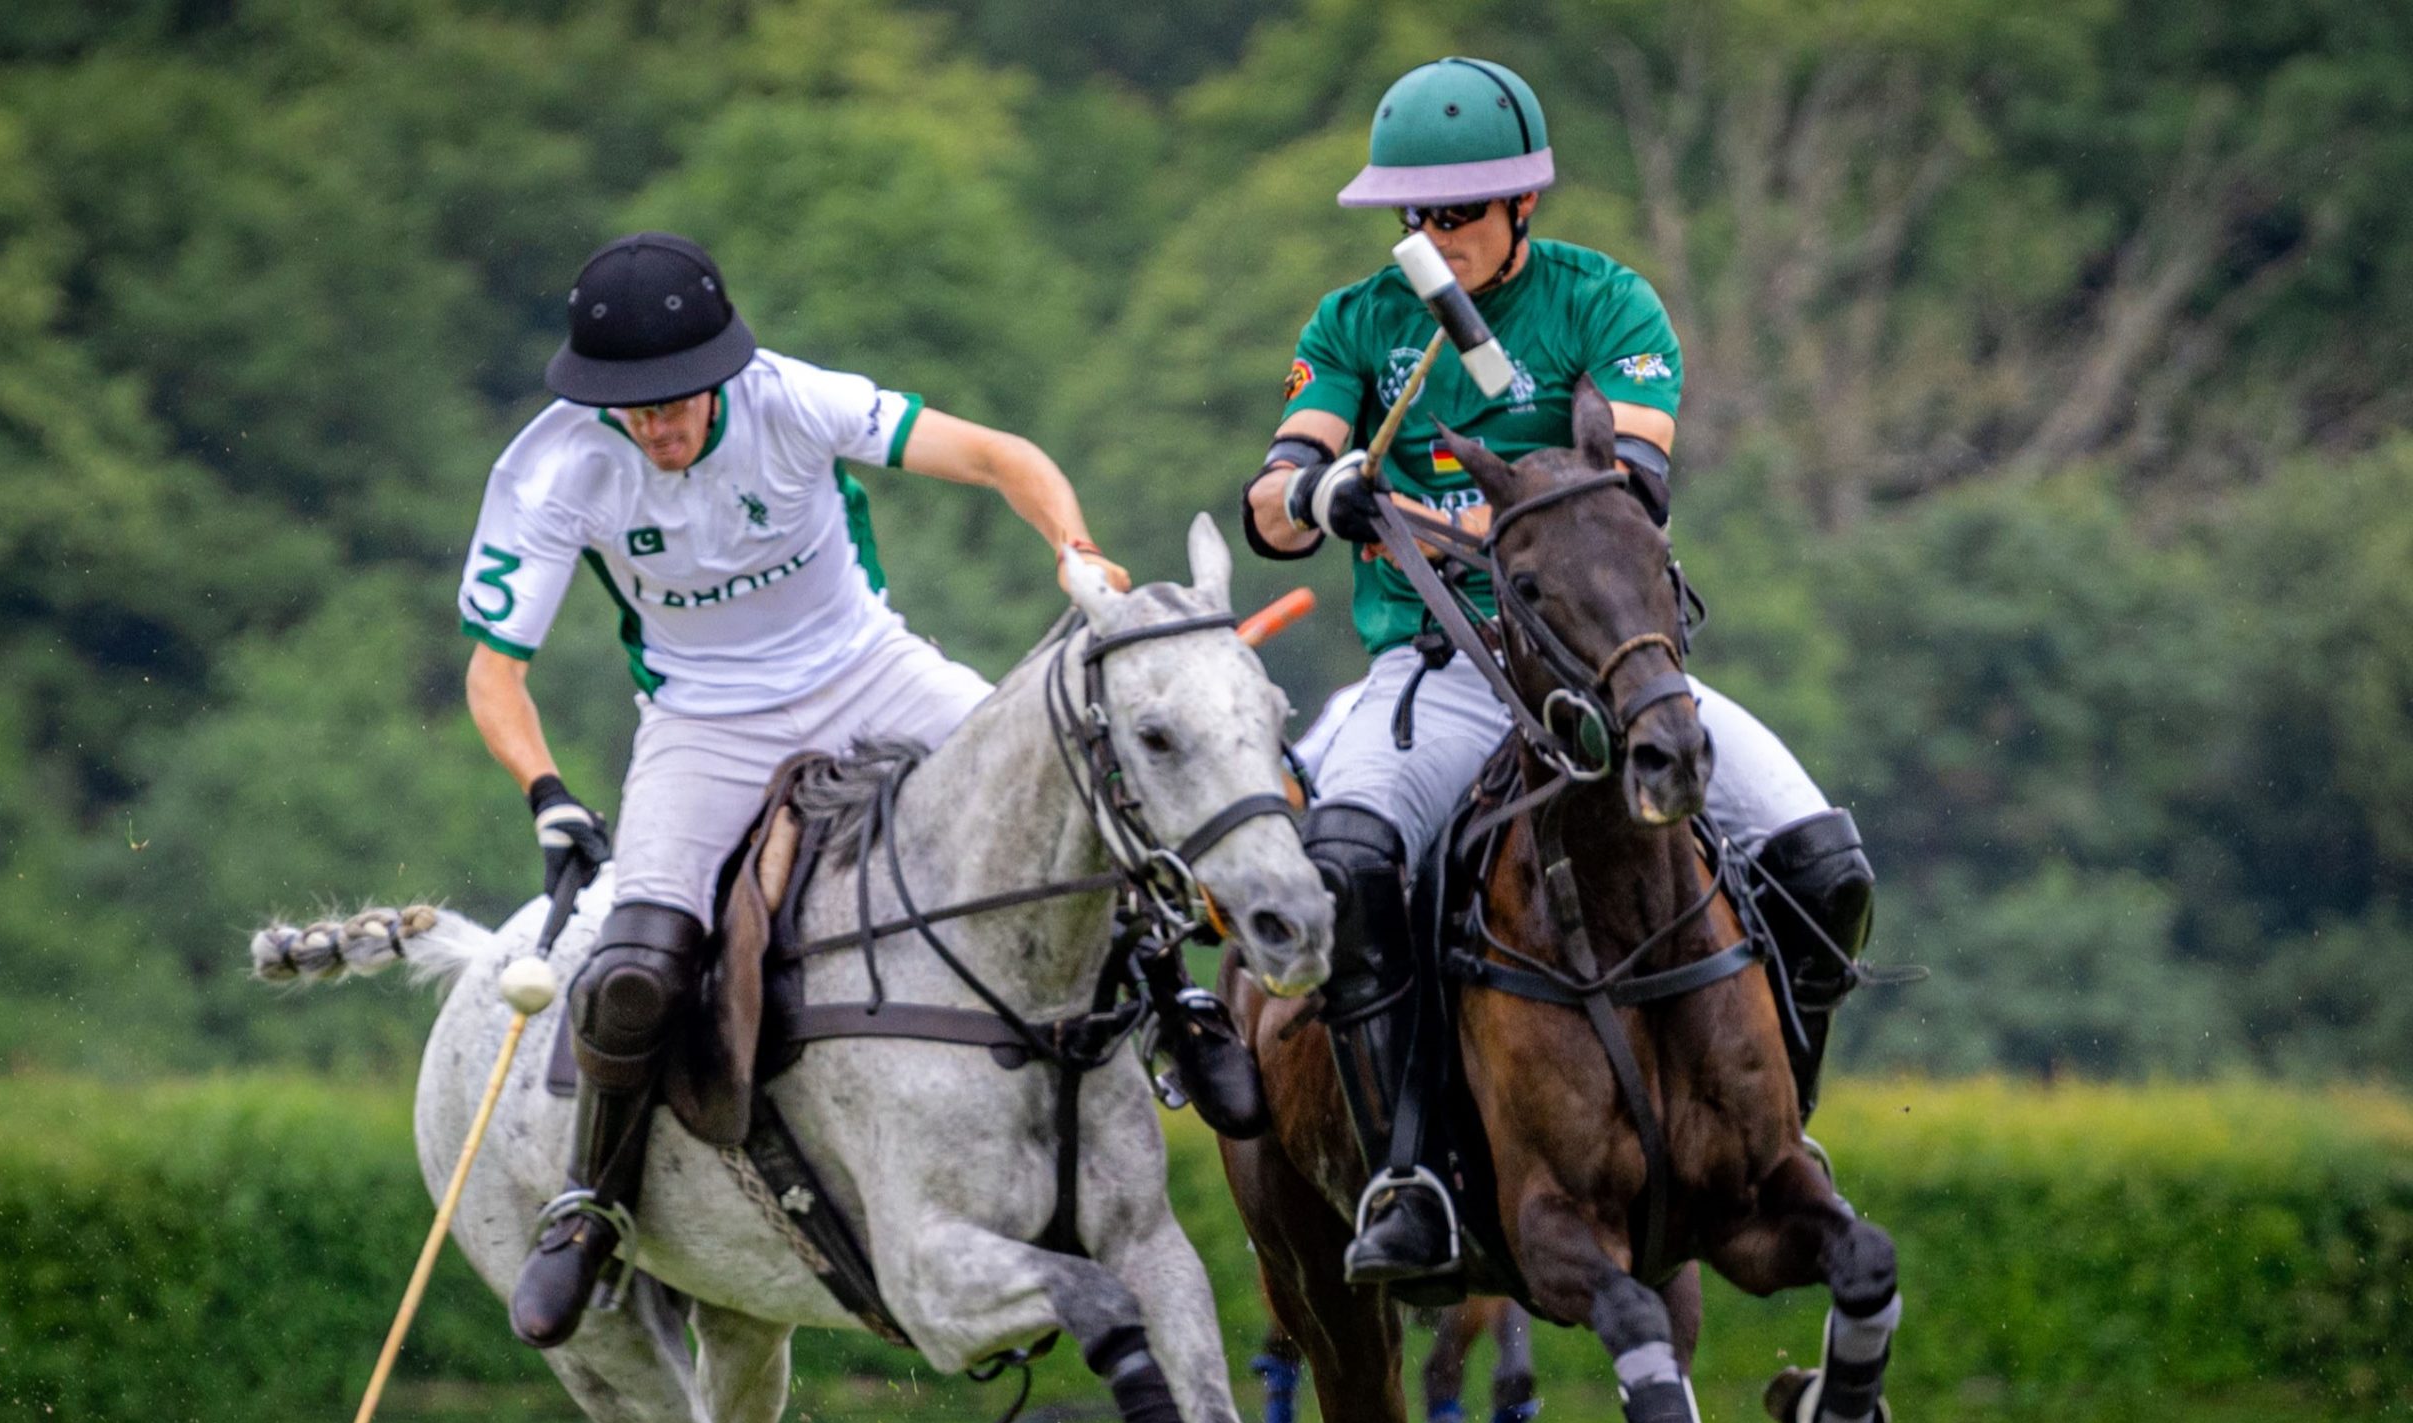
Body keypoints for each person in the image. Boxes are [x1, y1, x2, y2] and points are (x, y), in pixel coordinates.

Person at [1239, 60, 1876, 1284]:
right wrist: (1322, 490)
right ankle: (1408, 1174)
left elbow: (1631, 489)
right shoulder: (1358, 324)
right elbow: (1270, 500)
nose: (1434, 239)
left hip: (1603, 662)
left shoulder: (1606, 305)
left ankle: (1771, 1133)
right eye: (1413, 218)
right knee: (1358, 867)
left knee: (1821, 864)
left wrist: (1456, 514)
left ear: (1522, 206)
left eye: (1459, 216)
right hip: (1440, 675)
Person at [460, 231, 1145, 1348]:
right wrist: (547, 791)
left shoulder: (794, 400)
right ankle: (592, 1201)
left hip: (869, 668)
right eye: (630, 405)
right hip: (700, 721)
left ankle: (1184, 1020)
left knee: (1073, 799)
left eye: (673, 401)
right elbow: (496, 673)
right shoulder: (553, 470)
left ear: (720, 372)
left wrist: (1072, 547)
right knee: (632, 969)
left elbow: (998, 456)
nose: (656, 425)